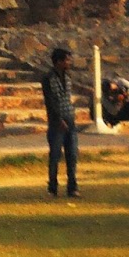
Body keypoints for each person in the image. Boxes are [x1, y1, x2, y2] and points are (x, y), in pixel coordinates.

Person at [41, 45, 80, 198]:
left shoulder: (67, 77)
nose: (69, 63)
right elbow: (50, 101)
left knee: (72, 155)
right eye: (67, 60)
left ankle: (72, 187)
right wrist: (58, 119)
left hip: (69, 118)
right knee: (55, 155)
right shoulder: (48, 79)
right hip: (57, 122)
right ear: (59, 61)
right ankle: (52, 187)